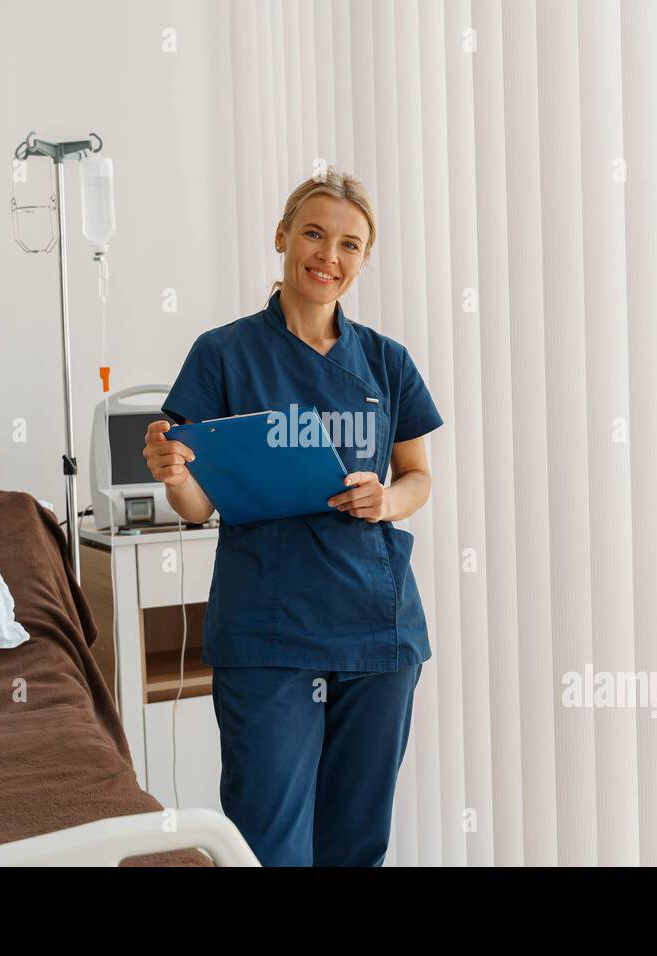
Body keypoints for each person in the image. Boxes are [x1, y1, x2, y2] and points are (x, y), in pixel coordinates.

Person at [143, 167, 443, 866]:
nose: (327, 256)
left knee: (353, 842)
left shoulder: (387, 363)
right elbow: (196, 504)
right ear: (282, 236)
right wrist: (173, 474)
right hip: (268, 631)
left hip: (377, 629)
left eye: (349, 245)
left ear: (363, 259)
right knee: (267, 843)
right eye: (313, 233)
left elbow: (418, 476)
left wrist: (386, 500)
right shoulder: (223, 354)